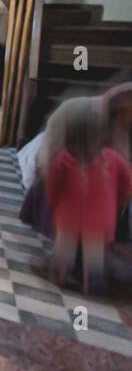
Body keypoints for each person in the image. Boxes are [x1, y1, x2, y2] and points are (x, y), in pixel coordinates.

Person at [46, 108, 132, 295]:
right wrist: (120, 202)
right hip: (100, 219)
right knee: (94, 254)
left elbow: (53, 187)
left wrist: (53, 203)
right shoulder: (113, 158)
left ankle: (59, 276)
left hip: (69, 216)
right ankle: (91, 283)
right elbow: (127, 183)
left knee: (64, 249)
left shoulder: (62, 159)